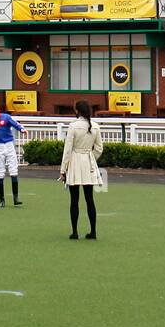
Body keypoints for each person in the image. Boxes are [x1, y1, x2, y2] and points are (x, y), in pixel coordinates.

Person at [59, 100, 104, 240]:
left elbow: (67, 150)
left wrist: (63, 169)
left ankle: (75, 232)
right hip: (88, 162)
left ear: (77, 111)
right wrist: (91, 158)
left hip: (75, 161)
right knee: (89, 199)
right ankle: (93, 231)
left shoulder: (73, 126)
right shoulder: (95, 126)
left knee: (74, 199)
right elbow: (99, 148)